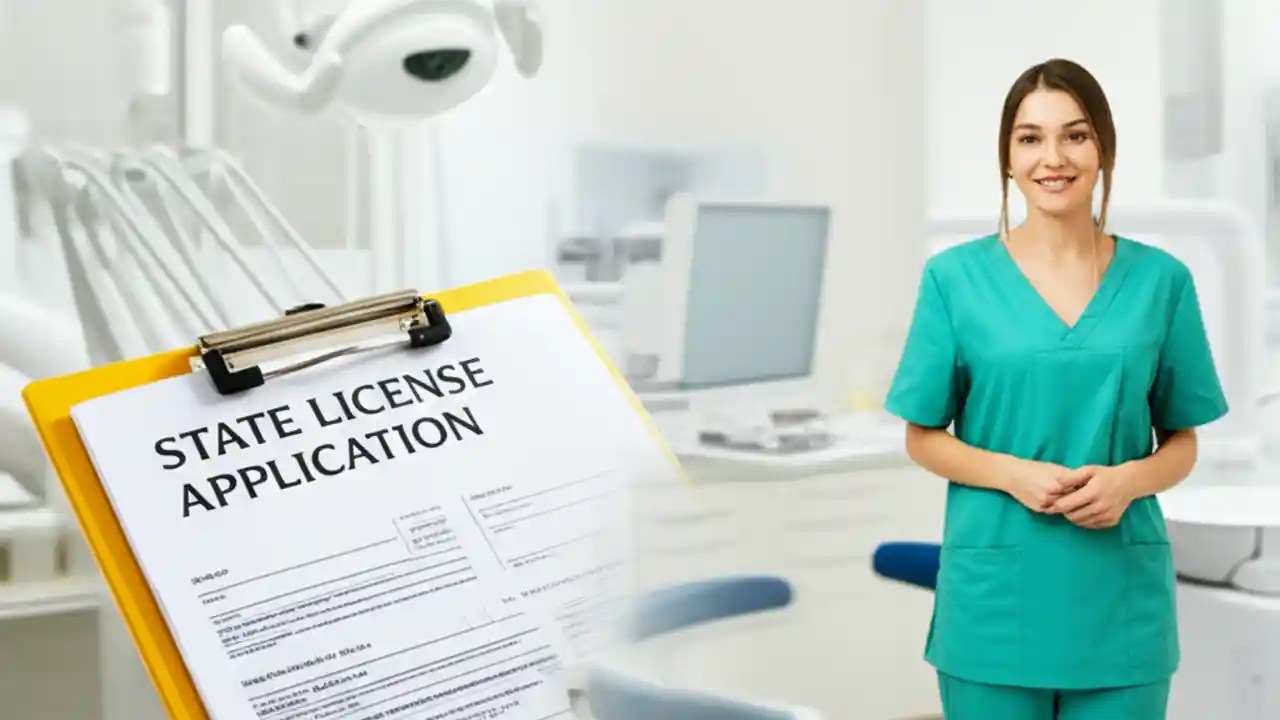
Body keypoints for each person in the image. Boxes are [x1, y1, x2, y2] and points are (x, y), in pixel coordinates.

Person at [883, 58, 1228, 719]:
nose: (1054, 157)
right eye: (1030, 138)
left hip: (1121, 612)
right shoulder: (954, 280)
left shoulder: (1162, 282)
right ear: (1008, 158)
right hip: (995, 613)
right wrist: (1014, 475)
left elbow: (1182, 441)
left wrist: (1129, 482)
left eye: (1075, 135)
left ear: (1103, 148)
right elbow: (922, 438)